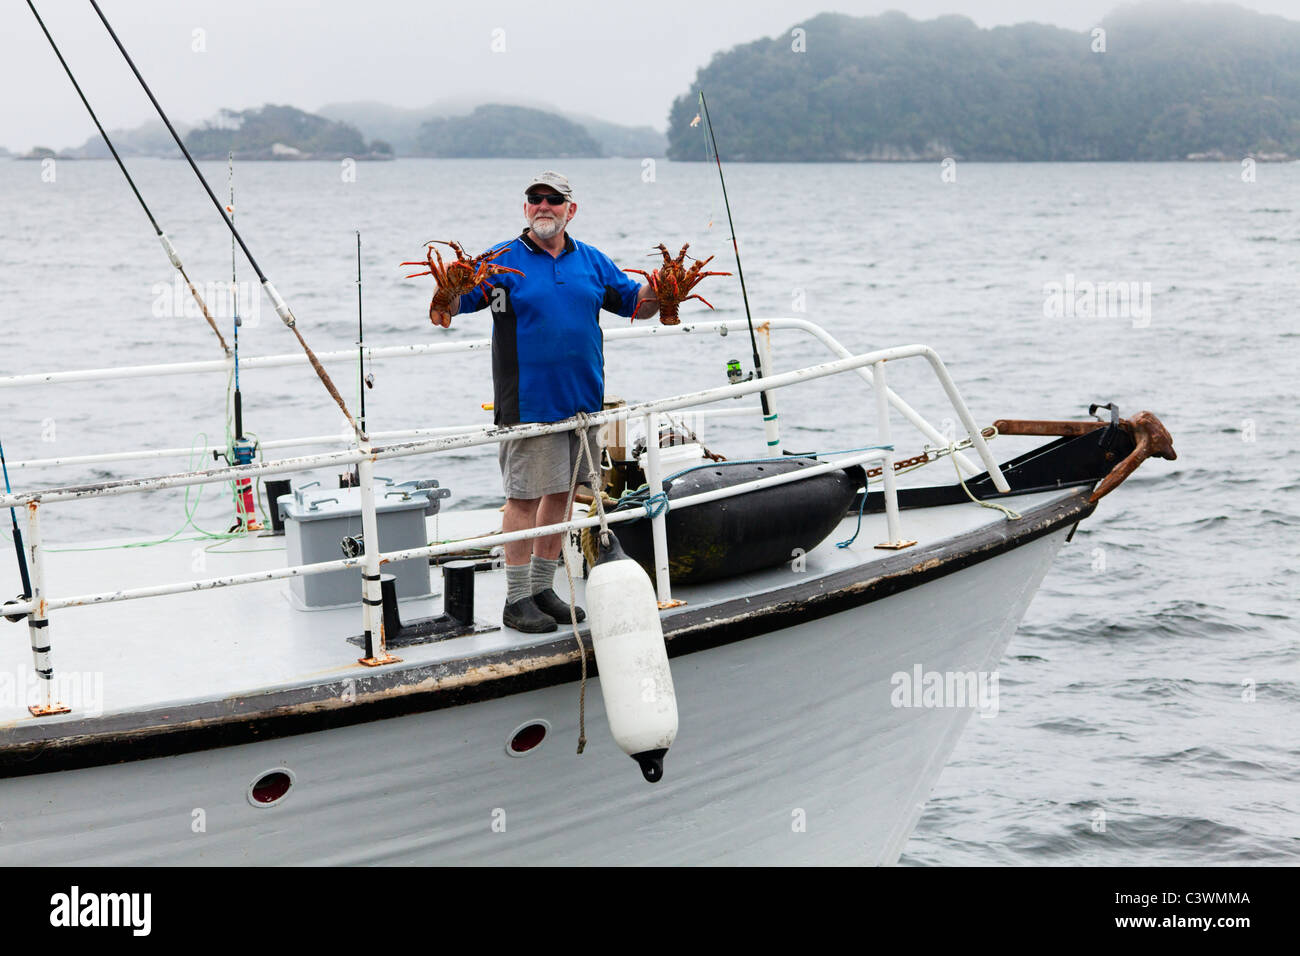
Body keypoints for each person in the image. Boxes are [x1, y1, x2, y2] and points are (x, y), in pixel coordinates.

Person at [432, 171, 659, 632]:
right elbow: (447, 311)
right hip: (528, 405)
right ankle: (516, 599)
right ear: (525, 208)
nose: (543, 206)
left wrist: (660, 290)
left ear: (570, 210)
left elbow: (638, 305)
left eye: (553, 199)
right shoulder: (499, 261)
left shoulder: (592, 260)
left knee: (562, 495)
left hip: (583, 403)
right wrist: (446, 293)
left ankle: (541, 588)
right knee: (522, 498)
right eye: (535, 198)